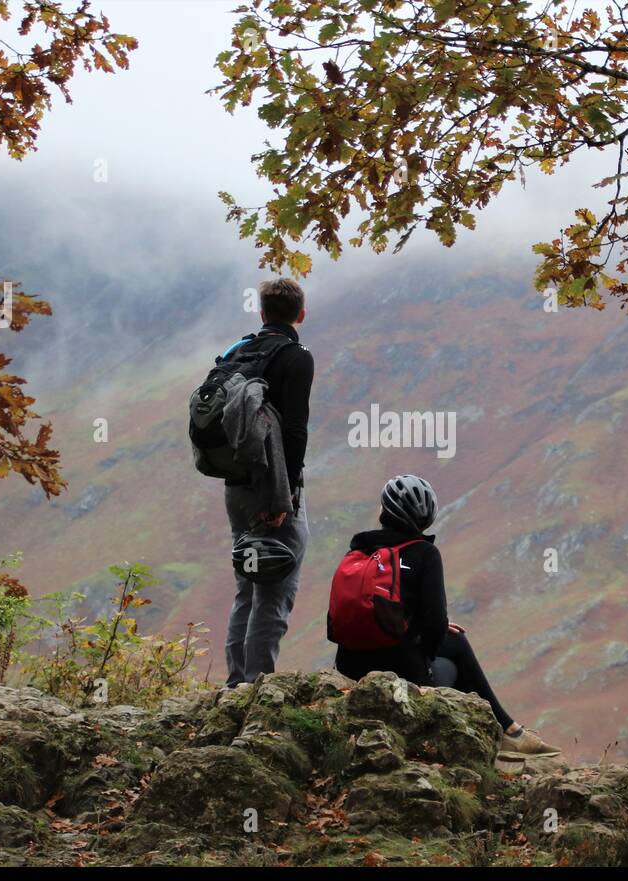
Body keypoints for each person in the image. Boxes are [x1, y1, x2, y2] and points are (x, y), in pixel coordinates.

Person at [331, 474, 561, 757]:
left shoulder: (359, 551)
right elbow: (433, 627)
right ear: (425, 519)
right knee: (457, 645)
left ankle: (500, 733)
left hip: (349, 669)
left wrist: (417, 629)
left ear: (384, 511)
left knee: (450, 640)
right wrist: (426, 646)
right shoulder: (424, 553)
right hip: (404, 678)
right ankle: (504, 733)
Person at [223, 278, 314, 687]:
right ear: (301, 315)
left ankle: (235, 682)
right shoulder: (296, 357)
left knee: (247, 583)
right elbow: (294, 431)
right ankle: (257, 688)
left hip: (235, 485)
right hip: (273, 487)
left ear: (261, 313)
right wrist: (285, 497)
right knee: (275, 587)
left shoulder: (237, 352)